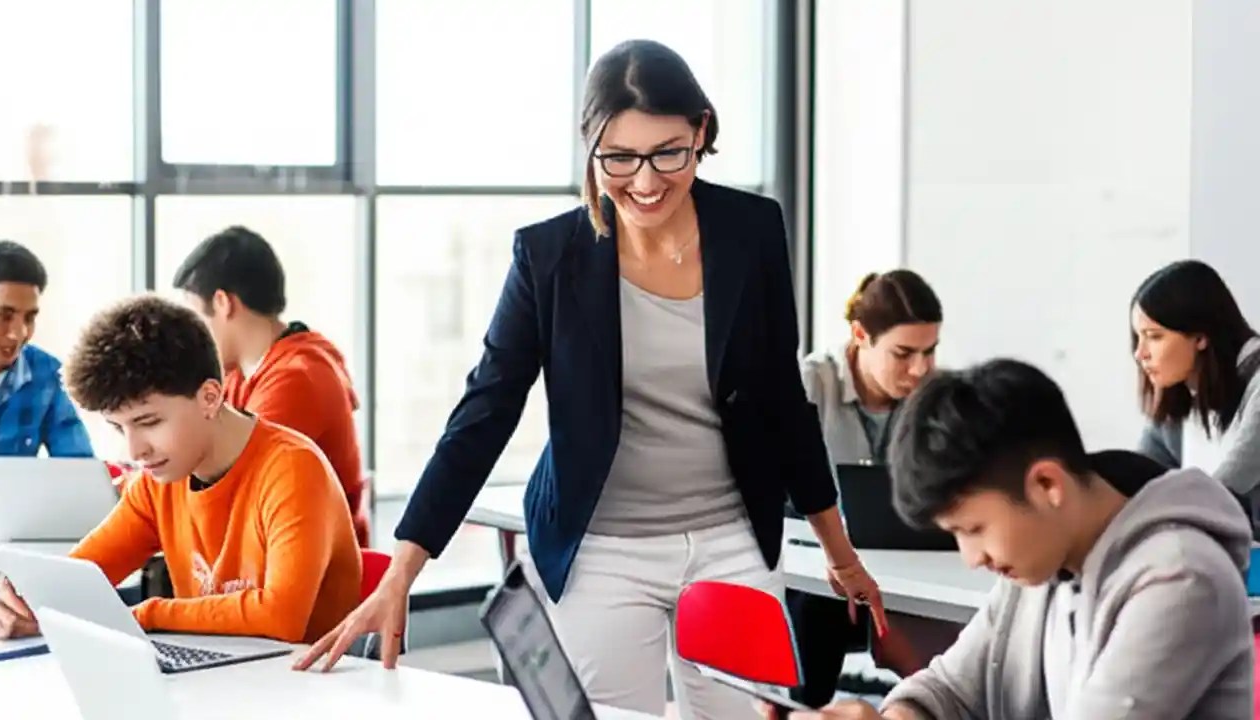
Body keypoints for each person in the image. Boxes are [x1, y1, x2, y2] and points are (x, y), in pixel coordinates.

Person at [295, 39, 887, 720]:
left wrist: (839, 552)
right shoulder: (549, 257)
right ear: (590, 147)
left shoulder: (751, 231)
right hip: (602, 547)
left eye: (670, 152)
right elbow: (485, 411)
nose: (645, 181)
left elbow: (784, 400)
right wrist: (404, 567)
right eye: (619, 158)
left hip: (732, 539)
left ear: (700, 132)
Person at [767, 358, 1254, 719]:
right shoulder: (1044, 561)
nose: (971, 557)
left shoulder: (1182, 577)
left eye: (973, 529)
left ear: (1047, 486)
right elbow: (952, 688)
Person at [0, 295, 361, 644]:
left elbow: (281, 617)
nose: (134, 450)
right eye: (119, 428)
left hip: (305, 693)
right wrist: (28, 597)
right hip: (218, 681)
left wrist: (148, 613)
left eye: (149, 422)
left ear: (210, 397)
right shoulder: (157, 482)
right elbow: (81, 577)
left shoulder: (292, 468)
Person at [788, 270, 941, 706]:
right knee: (817, 602)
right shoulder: (809, 384)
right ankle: (801, 709)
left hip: (908, 564)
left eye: (930, 352)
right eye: (904, 353)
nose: (920, 368)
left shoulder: (933, 393)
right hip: (821, 564)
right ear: (860, 335)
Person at [172, 225, 369, 546]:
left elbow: (230, 483)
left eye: (196, 319)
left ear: (223, 303)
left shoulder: (297, 378)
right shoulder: (240, 374)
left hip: (316, 574)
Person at [1132, 259, 1260, 529]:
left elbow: (1222, 491)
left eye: (1154, 336)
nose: (1140, 353)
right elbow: (1132, 488)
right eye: (1138, 337)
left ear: (1201, 337)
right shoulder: (1180, 398)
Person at [0, 239, 92, 522]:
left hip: (8, 545)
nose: (19, 333)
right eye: (4, 316)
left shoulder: (45, 375)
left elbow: (79, 474)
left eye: (29, 318)